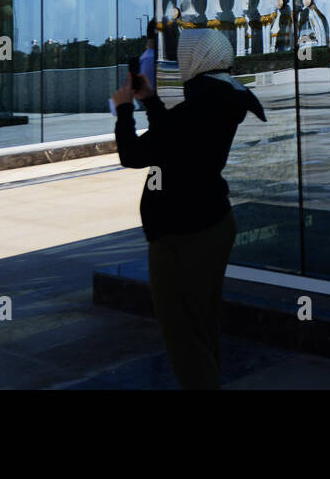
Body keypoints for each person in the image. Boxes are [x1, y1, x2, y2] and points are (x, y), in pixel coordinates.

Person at [112, 27, 266, 389]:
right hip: (213, 221)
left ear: (194, 61)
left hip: (182, 235)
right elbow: (176, 139)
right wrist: (150, 101)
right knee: (202, 324)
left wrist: (123, 110)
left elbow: (133, 155)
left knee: (183, 336)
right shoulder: (224, 99)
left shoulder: (199, 108)